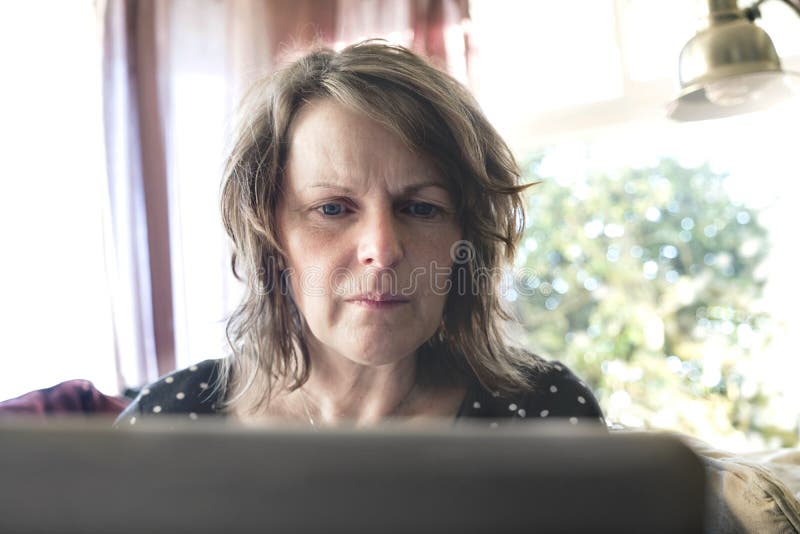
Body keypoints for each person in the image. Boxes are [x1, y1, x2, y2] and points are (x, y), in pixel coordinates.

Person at [116, 40, 604, 429]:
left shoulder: (548, 415)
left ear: (465, 240)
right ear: (270, 236)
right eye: (331, 208)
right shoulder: (167, 423)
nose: (383, 250)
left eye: (420, 207)